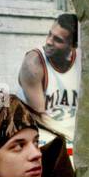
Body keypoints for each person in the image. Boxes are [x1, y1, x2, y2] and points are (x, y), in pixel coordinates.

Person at [17, 13, 79, 145]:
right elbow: (40, 117)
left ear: (73, 45)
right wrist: (74, 140)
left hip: (76, 134)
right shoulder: (33, 63)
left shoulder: (84, 61)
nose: (49, 41)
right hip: (44, 133)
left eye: (58, 39)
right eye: (49, 34)